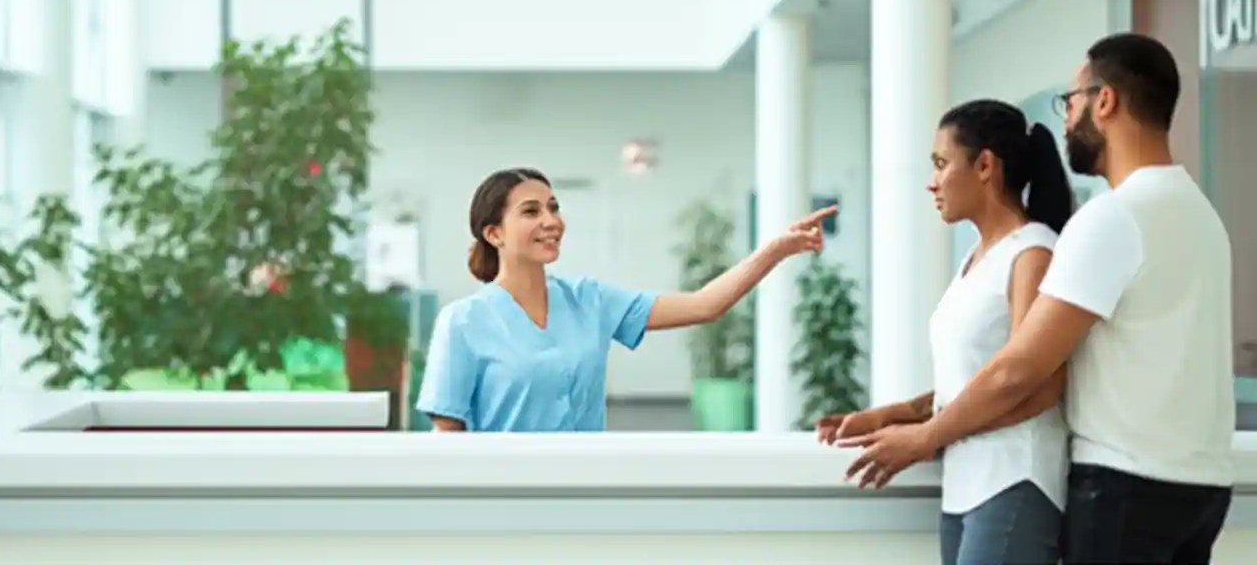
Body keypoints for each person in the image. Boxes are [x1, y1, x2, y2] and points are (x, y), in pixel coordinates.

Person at [837, 33, 1236, 564]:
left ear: (1105, 100)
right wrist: (909, 412)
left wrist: (924, 436)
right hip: (1201, 488)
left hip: (1125, 488)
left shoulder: (1111, 218)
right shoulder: (1201, 215)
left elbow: (1022, 369)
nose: (1066, 120)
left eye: (1070, 103)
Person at [818, 99, 1074, 565]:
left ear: (984, 166)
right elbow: (975, 377)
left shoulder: (1034, 254)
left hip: (1013, 482)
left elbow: (1038, 385)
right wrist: (893, 415)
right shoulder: (979, 258)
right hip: (965, 489)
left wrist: (926, 438)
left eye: (940, 163)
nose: (930, 181)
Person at [416, 167, 836, 432]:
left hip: (589, 495)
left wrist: (776, 249)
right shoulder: (462, 322)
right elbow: (447, 435)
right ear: (494, 233)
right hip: (505, 503)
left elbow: (705, 304)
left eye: (553, 207)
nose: (551, 221)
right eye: (531, 211)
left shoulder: (589, 300)